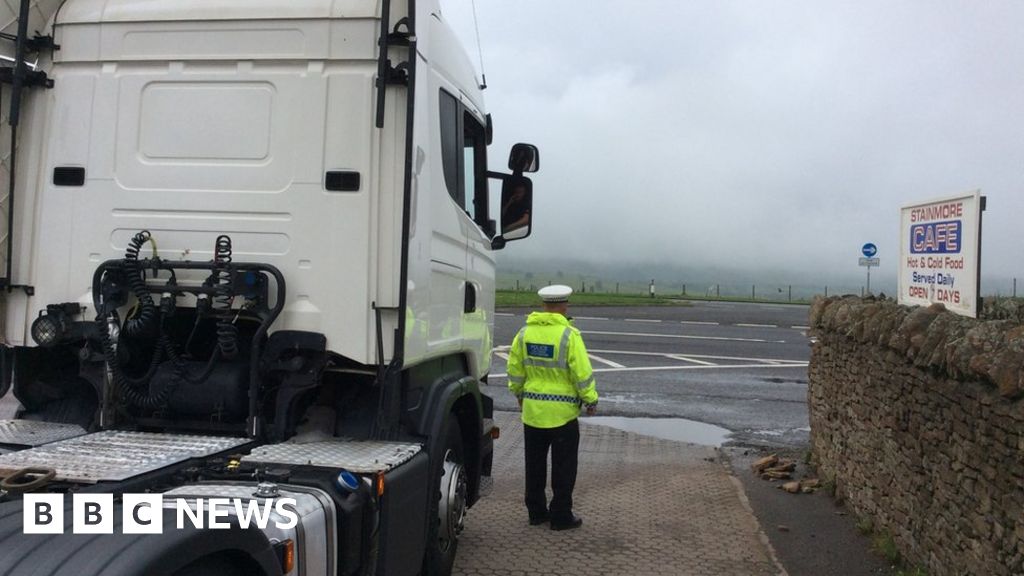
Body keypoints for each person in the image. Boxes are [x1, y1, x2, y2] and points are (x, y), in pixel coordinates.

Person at [506, 285, 598, 530]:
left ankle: (536, 512)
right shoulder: (569, 335)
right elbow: (582, 373)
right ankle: (560, 516)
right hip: (563, 416)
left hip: (533, 413)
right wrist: (590, 399)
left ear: (543, 305)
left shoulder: (524, 334)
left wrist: (518, 394)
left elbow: (515, 371)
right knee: (563, 468)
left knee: (534, 466)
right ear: (564, 305)